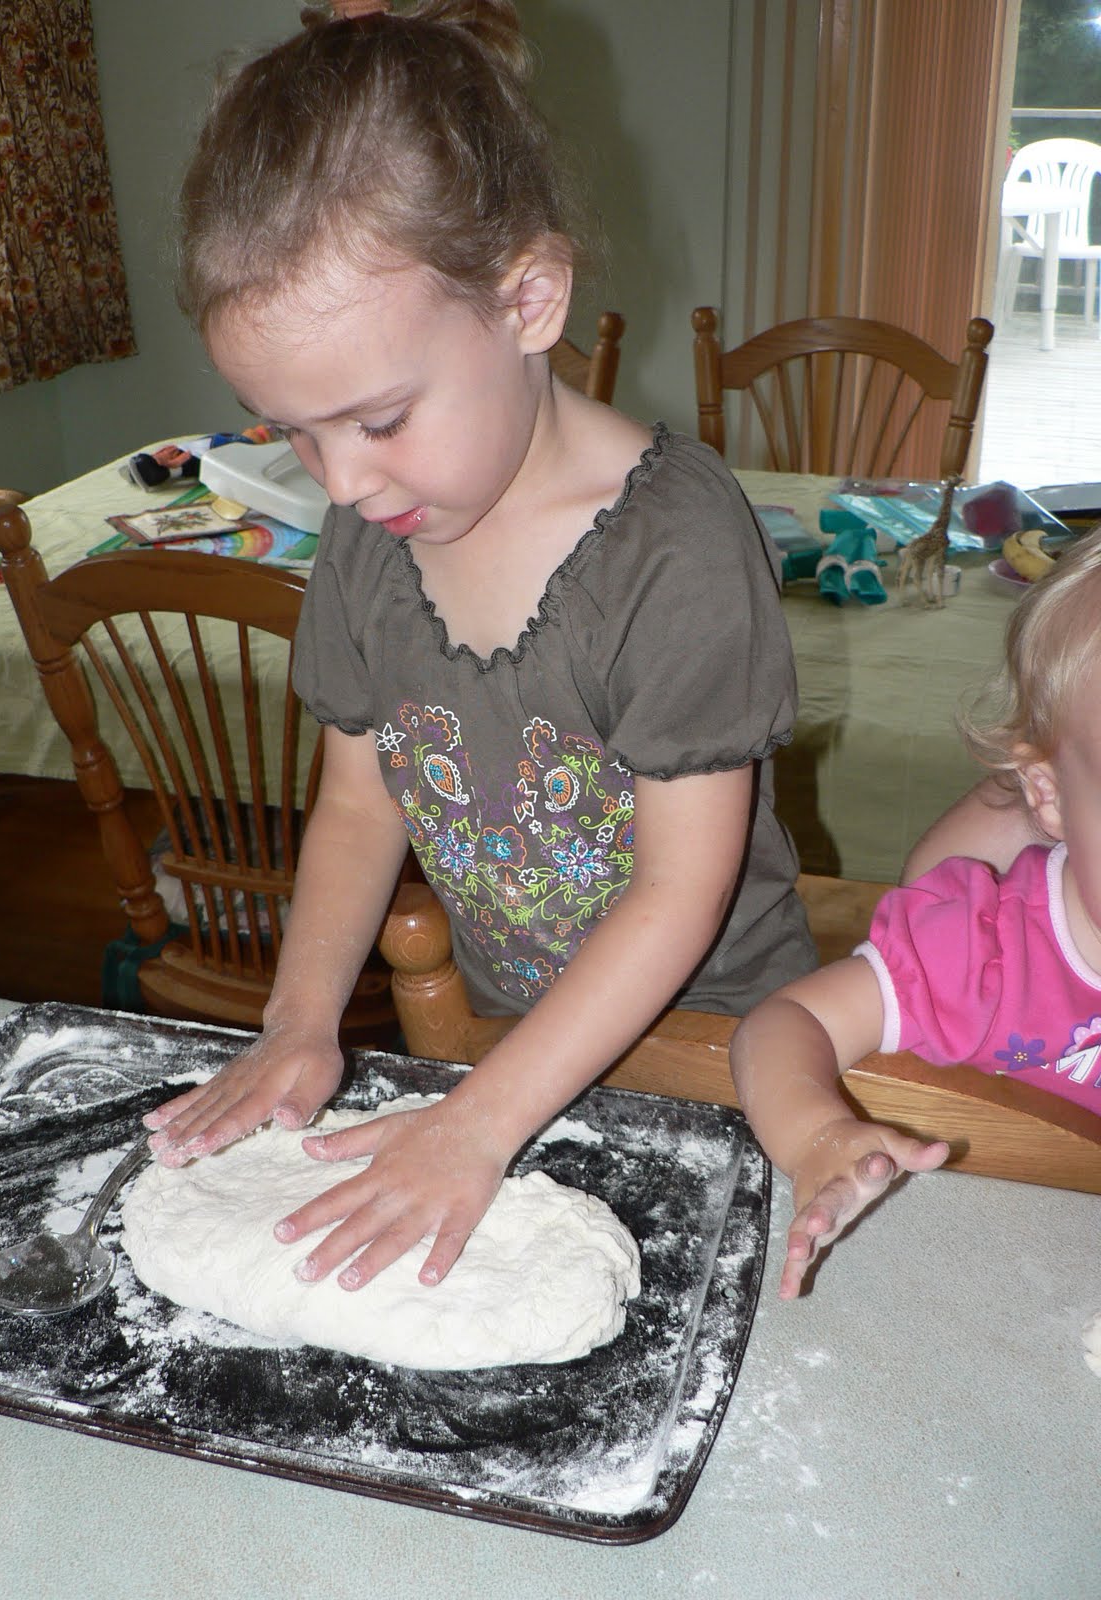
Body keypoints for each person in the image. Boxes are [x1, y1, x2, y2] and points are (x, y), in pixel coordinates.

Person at [145, 0, 815, 1293]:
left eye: (379, 418)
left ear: (529, 299)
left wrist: (480, 1123)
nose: (342, 480)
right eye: (292, 432)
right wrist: (298, 1022)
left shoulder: (673, 550)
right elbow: (360, 804)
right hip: (505, 1055)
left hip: (720, 1053)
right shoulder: (374, 534)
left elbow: (678, 894)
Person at [730, 526, 1101, 1299]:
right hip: (973, 1284)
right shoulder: (981, 949)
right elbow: (784, 1023)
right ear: (1050, 795)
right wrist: (818, 1137)